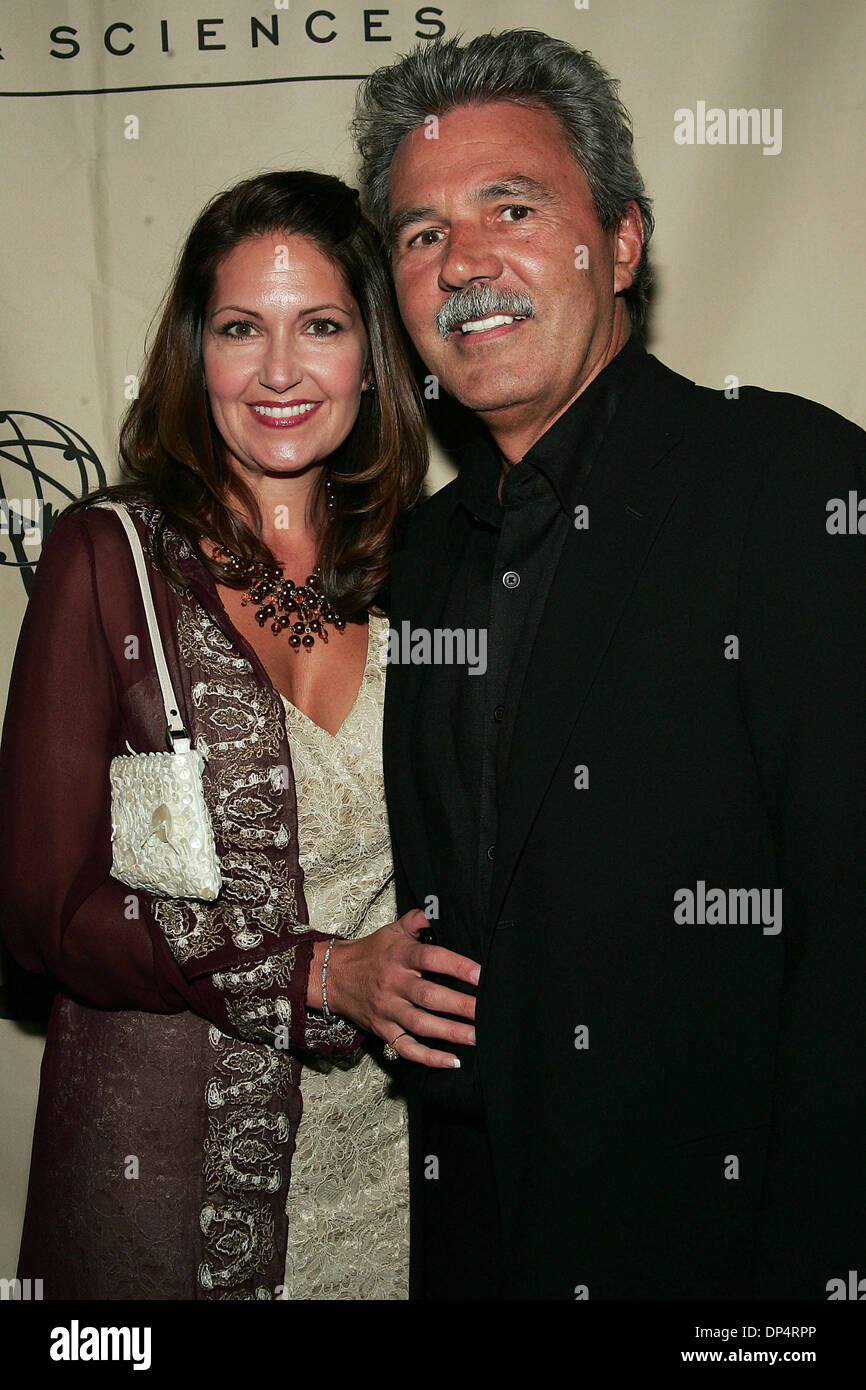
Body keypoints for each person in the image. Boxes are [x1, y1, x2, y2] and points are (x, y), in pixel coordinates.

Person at [351, 31, 866, 1299]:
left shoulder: (789, 483)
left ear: (621, 242)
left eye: (511, 209)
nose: (463, 261)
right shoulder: (417, 557)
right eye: (420, 234)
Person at [0, 170, 479, 1301]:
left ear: (374, 357)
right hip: (159, 1181)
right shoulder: (107, 561)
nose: (278, 371)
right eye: (239, 329)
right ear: (194, 353)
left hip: (396, 1176)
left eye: (320, 327)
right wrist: (315, 973)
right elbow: (39, 913)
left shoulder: (431, 568)